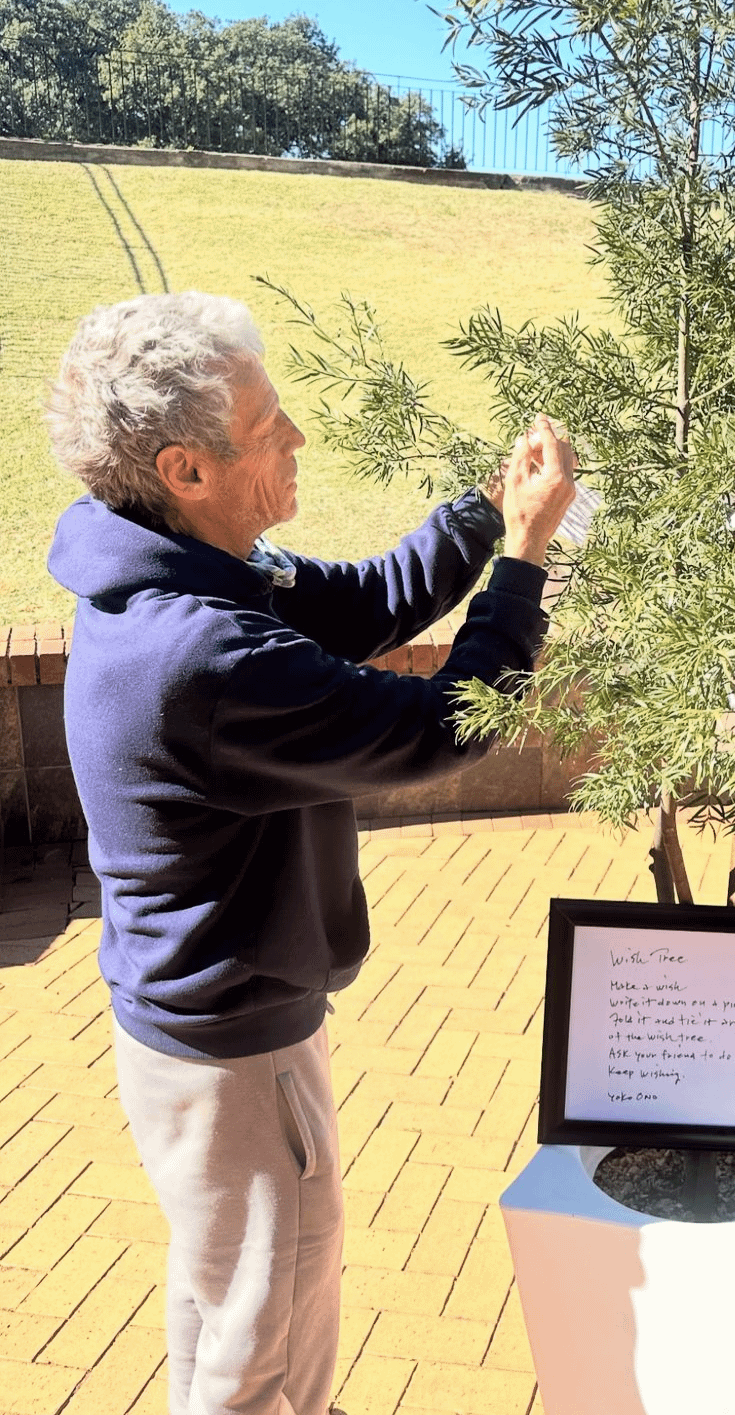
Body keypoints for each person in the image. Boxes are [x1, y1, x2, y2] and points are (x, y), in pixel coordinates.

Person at [45, 290, 577, 1415]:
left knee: (226, 1293)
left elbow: (372, 599)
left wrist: (488, 514)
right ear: (188, 467)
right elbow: (445, 727)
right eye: (269, 421)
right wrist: (528, 560)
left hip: (193, 1029)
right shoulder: (201, 652)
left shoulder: (180, 571)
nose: (297, 438)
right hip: (236, 1051)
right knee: (271, 1323)